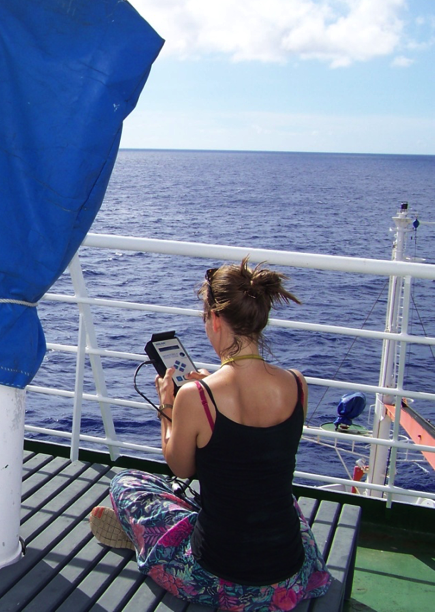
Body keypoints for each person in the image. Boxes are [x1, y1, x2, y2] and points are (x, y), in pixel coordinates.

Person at [88, 258, 331, 611]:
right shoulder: (297, 383)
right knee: (282, 502)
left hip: (220, 576)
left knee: (126, 484)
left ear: (215, 320)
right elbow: (256, 453)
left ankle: (148, 541)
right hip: (289, 574)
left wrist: (168, 406)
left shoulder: (197, 397)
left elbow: (181, 467)